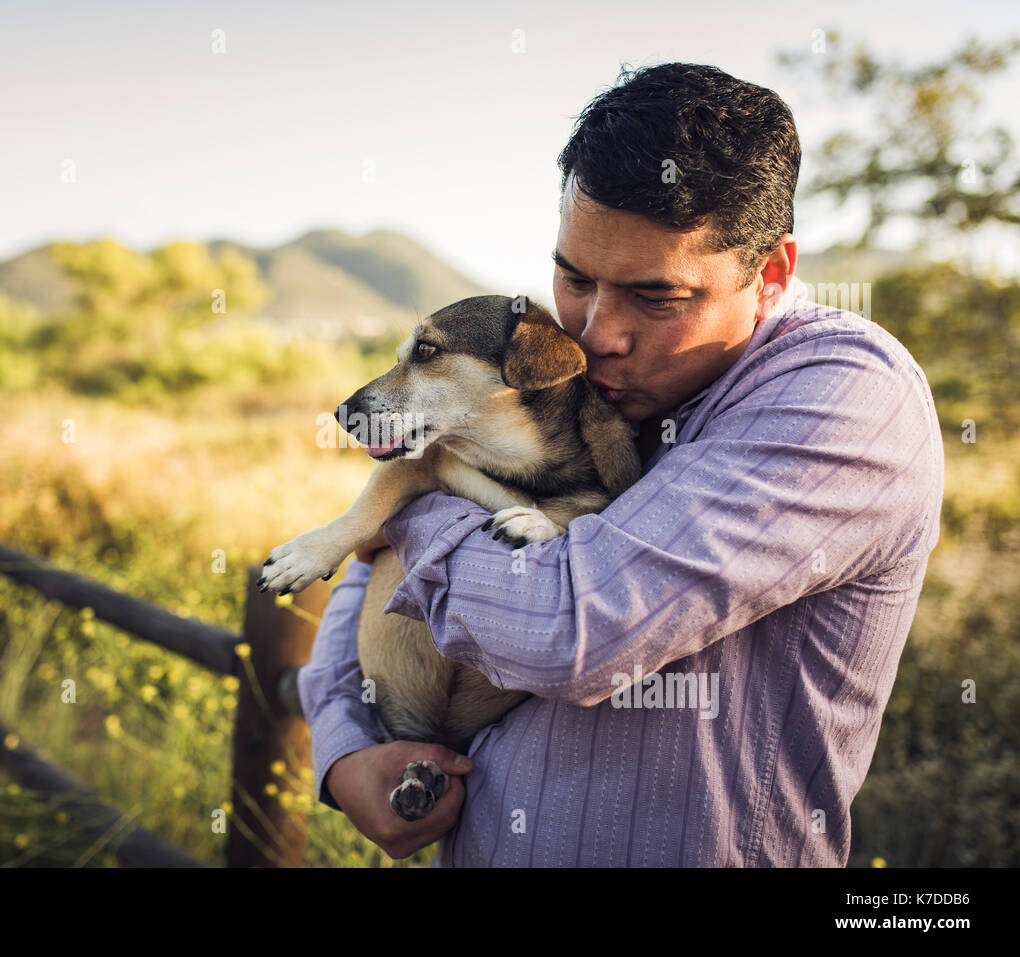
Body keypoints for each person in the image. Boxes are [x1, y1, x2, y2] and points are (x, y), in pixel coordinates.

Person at [297, 62, 944, 866]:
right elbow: (370, 572)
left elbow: (570, 628)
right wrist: (343, 747)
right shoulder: (593, 382)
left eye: (655, 296)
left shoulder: (843, 394)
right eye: (574, 278)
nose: (598, 332)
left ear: (771, 273)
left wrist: (419, 487)